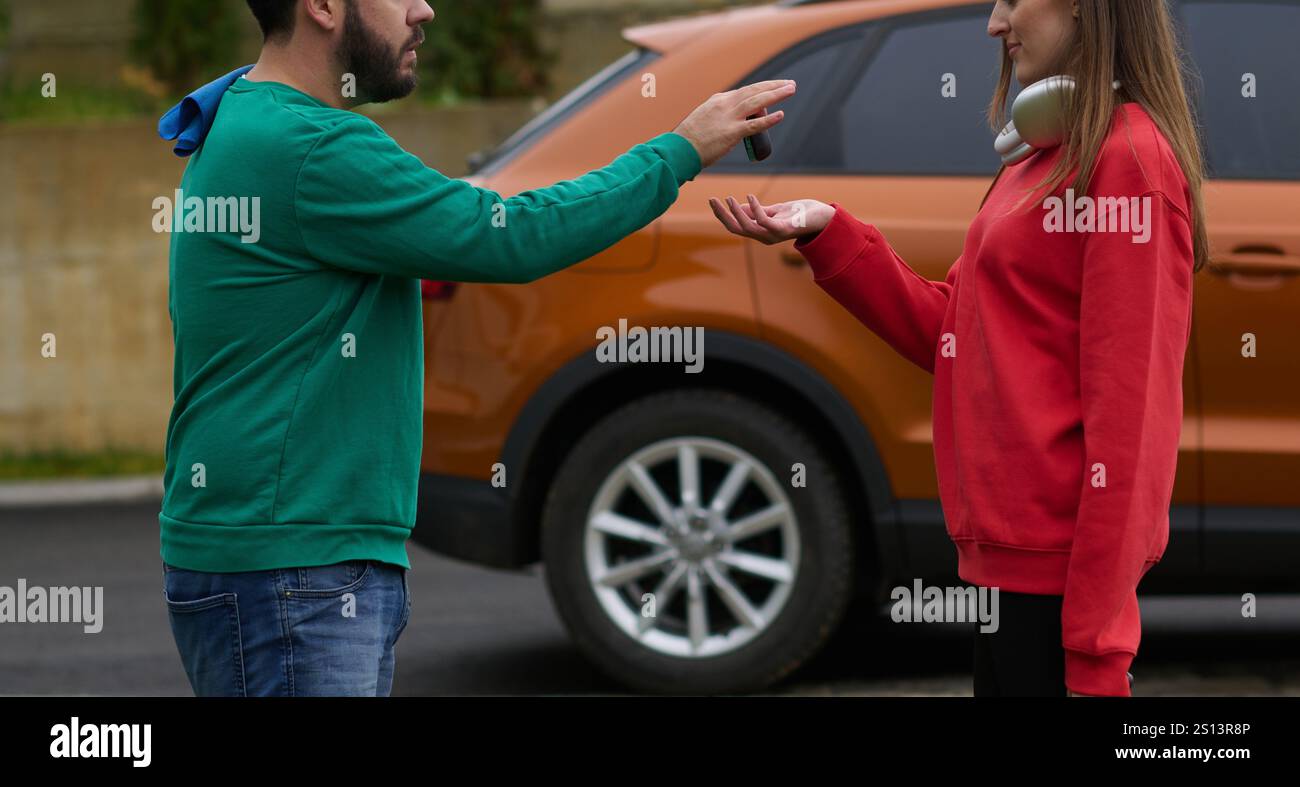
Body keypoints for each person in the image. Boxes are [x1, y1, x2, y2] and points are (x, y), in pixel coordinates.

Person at [158, 0, 794, 696]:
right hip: (292, 569)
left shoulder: (247, 121)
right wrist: (679, 152)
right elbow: (505, 234)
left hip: (277, 558)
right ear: (323, 6)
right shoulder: (311, 147)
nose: (424, 9)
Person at [709, 0, 1207, 697]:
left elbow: (1133, 429)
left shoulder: (1128, 165)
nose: (994, 25)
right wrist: (830, 231)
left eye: (1012, 0)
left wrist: (1094, 655)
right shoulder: (1041, 157)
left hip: (1056, 589)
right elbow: (960, 337)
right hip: (1001, 572)